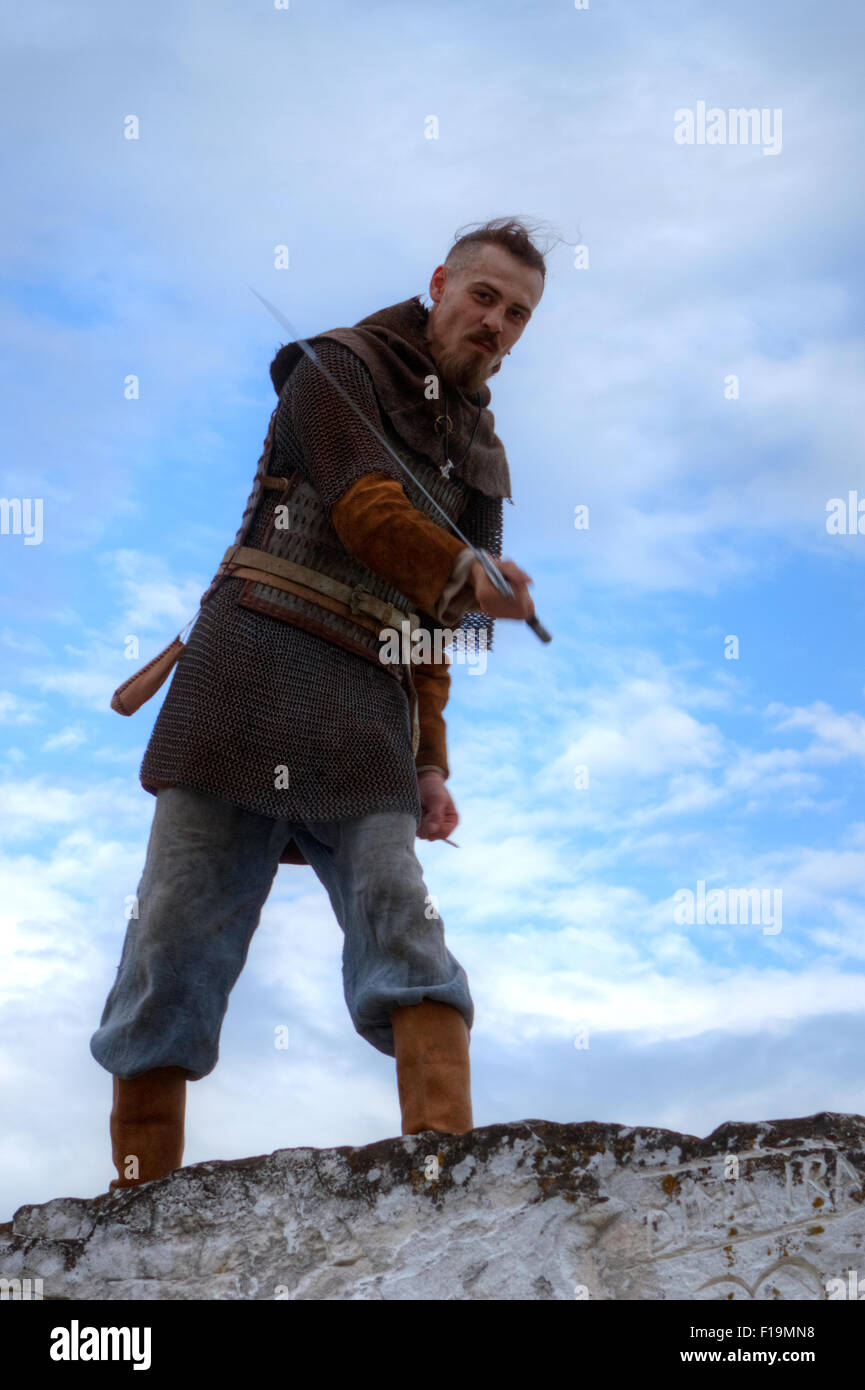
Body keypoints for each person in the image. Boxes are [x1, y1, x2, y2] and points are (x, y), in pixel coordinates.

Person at [90, 216, 546, 1192]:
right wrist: (466, 572)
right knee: (171, 940)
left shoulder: (479, 459)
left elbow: (429, 628)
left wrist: (431, 763)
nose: (496, 323)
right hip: (246, 669)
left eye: (516, 313)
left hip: (366, 715)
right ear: (440, 283)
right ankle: (130, 1212)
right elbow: (364, 504)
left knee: (405, 922)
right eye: (484, 297)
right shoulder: (332, 367)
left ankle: (442, 1177)